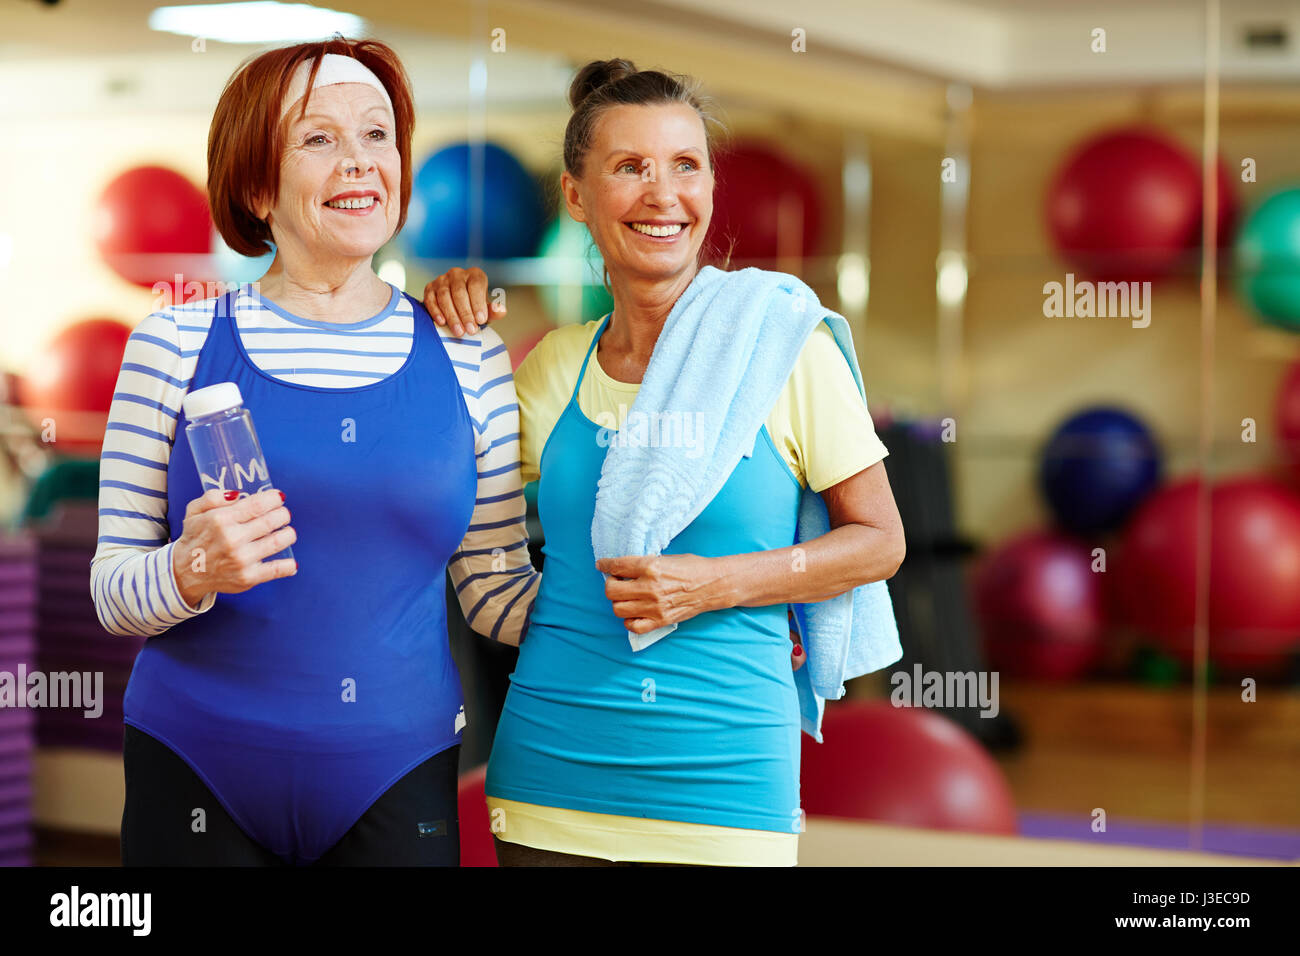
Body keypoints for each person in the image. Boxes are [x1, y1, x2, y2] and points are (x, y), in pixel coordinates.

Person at [424, 58, 905, 867]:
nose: (662, 194)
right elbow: (448, 514)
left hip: (725, 788)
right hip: (550, 774)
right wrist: (448, 334)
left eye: (686, 165)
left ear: (711, 186)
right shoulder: (553, 368)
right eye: (629, 167)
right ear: (576, 196)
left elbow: (879, 542)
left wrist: (720, 583)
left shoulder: (782, 348)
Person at [91, 37, 535, 867]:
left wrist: (697, 610)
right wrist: (190, 569)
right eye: (318, 139)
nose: (360, 162)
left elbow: (495, 591)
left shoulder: (469, 353)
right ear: (258, 185)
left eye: (377, 136)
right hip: (196, 765)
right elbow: (112, 592)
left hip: (398, 771)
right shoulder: (174, 343)